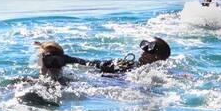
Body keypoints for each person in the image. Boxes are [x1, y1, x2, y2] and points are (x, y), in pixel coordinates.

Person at [35, 37, 171, 80]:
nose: (143, 51)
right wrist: (64, 57)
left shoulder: (153, 72)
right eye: (144, 47)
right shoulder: (128, 64)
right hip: (100, 80)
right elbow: (92, 64)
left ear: (158, 57)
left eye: (150, 48)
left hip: (105, 85)